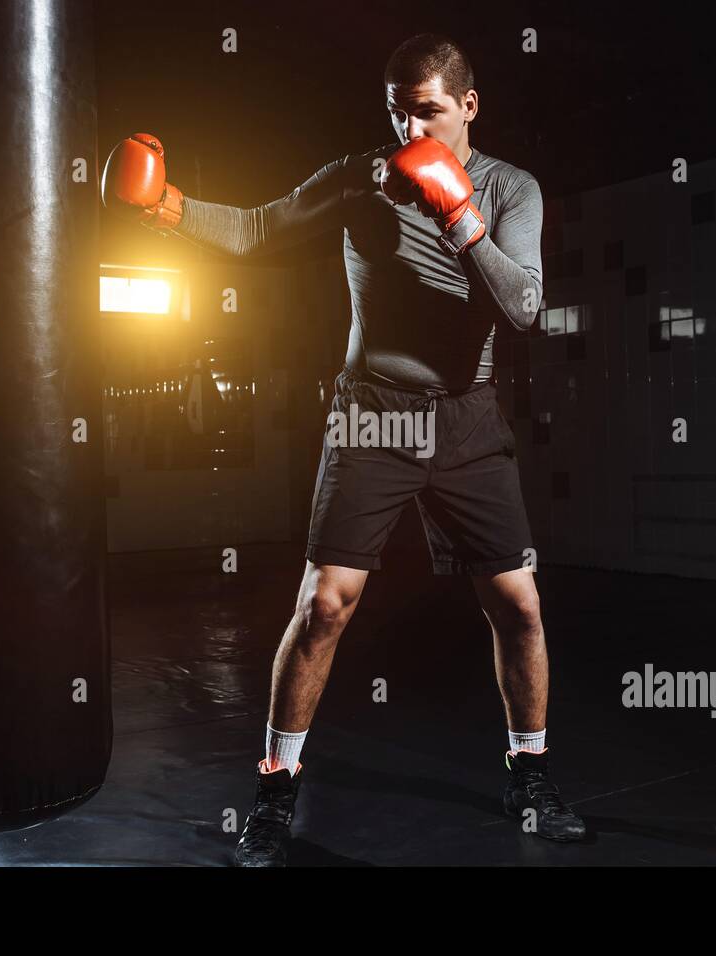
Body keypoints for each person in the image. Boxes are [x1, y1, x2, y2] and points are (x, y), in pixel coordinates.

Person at [102, 33, 586, 867]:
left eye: (428, 112)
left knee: (521, 605)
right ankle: (275, 787)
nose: (410, 133)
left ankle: (531, 772)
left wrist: (461, 216)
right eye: (398, 112)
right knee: (324, 605)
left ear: (469, 107)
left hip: (466, 417)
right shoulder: (360, 177)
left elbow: (527, 308)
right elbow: (258, 230)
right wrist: (165, 207)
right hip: (373, 415)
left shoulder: (511, 189)